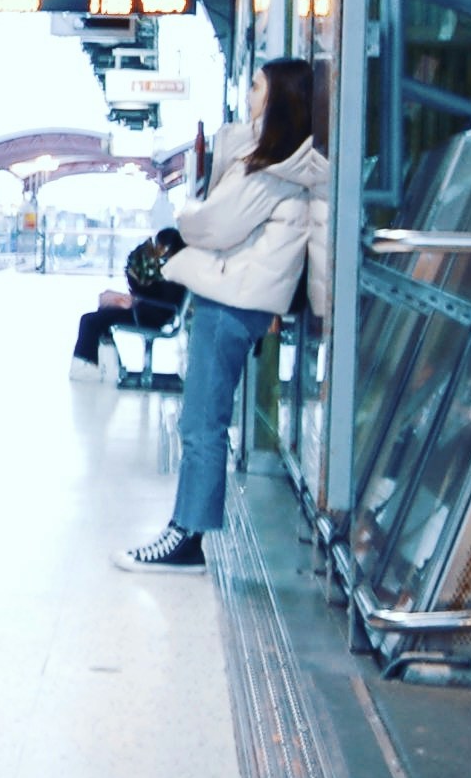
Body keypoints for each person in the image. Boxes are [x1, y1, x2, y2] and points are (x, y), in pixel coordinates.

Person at [116, 59, 329, 571]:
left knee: (201, 423)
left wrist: (182, 218)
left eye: (257, 86)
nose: (250, 93)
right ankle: (186, 529)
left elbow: (212, 224)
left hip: (232, 298)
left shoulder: (271, 170)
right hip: (245, 299)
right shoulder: (290, 165)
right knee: (204, 421)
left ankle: (186, 537)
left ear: (277, 99)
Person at [69, 184, 179, 380]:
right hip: (150, 311)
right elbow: (159, 294)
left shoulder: (174, 271)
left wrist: (133, 293)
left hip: (149, 315)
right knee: (99, 315)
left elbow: (159, 297)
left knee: (90, 320)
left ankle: (88, 365)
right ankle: (97, 364)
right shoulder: (176, 269)